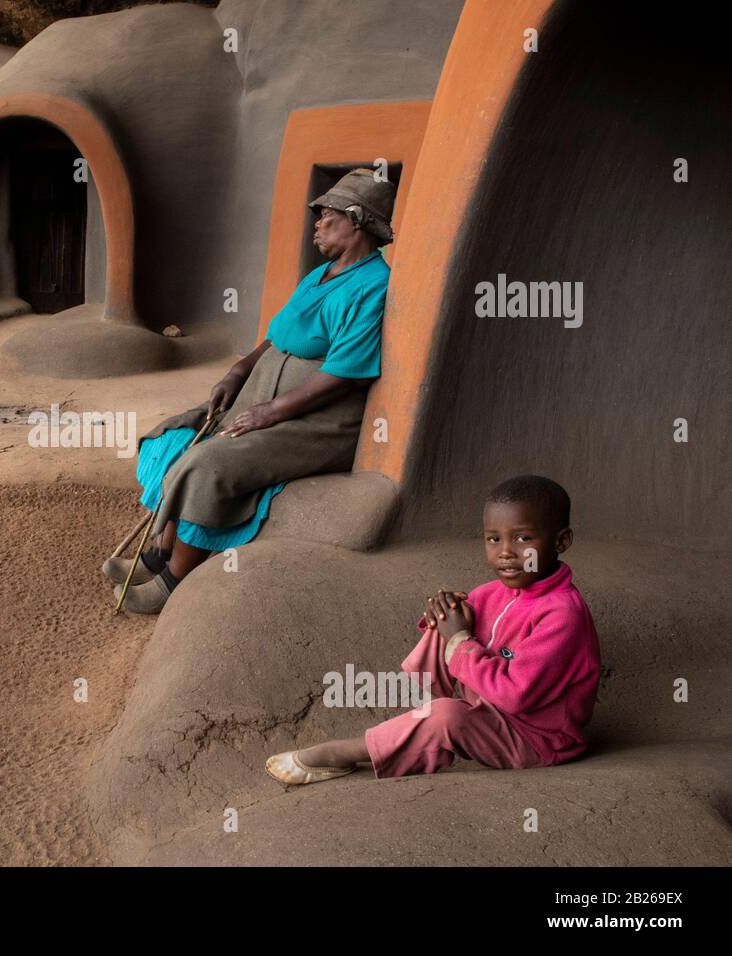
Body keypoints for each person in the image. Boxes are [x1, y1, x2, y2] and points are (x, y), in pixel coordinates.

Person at [105, 168, 397, 614]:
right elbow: (275, 336)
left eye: (327, 216)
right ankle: (157, 552)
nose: (316, 224)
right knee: (176, 440)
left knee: (208, 464)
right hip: (259, 399)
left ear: (356, 220)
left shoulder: (373, 286)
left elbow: (347, 374)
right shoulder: (319, 275)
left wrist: (272, 412)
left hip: (315, 421)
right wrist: (238, 373)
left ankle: (172, 580)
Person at [265, 475, 602, 786]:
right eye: (493, 539)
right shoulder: (491, 593)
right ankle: (422, 718)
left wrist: (460, 639)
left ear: (561, 541)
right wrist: (442, 614)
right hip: (487, 712)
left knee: (447, 714)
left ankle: (350, 752)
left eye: (523, 538)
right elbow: (450, 630)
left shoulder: (562, 614)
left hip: (537, 740)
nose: (505, 553)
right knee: (456, 612)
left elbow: (515, 696)